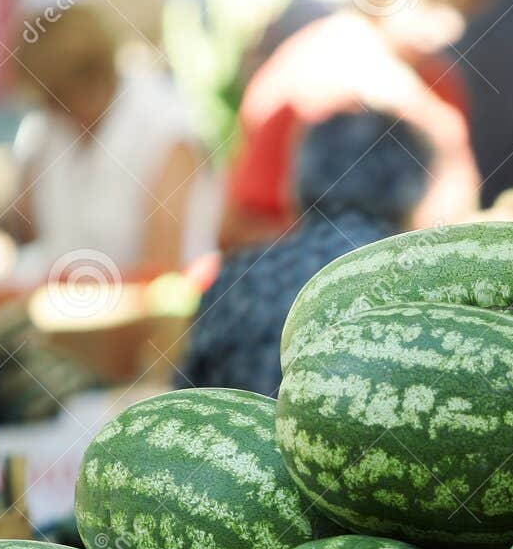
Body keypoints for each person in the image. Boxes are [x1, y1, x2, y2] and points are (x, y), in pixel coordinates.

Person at [218, 0, 503, 251]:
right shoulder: (303, 80)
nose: (451, 26)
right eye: (434, 1)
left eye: (462, 6)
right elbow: (242, 233)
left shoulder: (439, 79)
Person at [182, 110, 430, 395]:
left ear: (297, 183)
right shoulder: (426, 288)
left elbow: (187, 399)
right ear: (412, 192)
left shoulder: (238, 278)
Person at [8, 3, 217, 276]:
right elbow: (30, 228)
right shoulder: (46, 131)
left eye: (56, 98)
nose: (53, 110)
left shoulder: (164, 126)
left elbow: (162, 270)